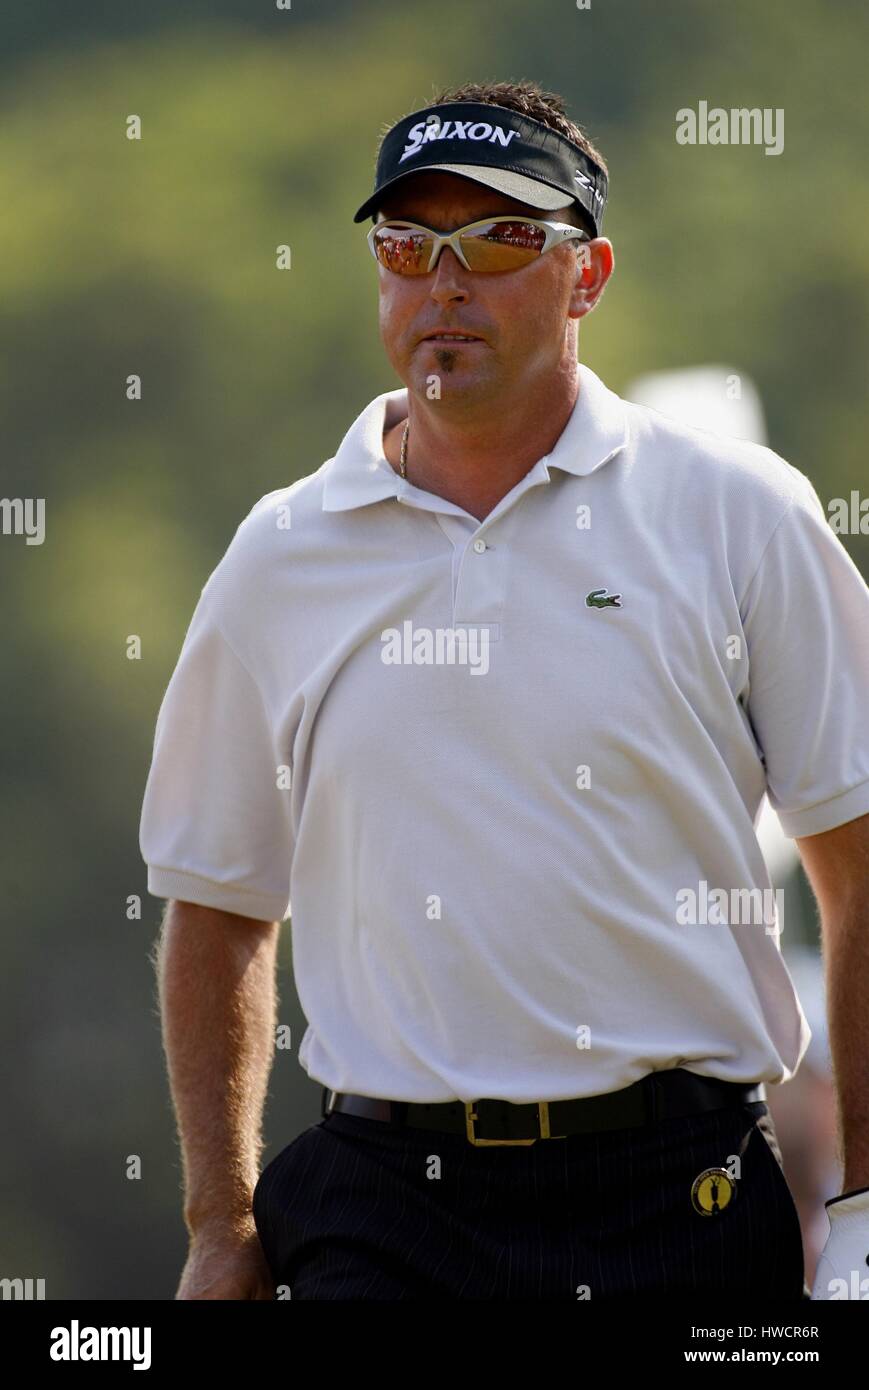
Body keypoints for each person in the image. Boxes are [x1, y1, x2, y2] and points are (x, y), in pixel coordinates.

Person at [139, 79, 869, 1301]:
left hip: (678, 1201)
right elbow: (215, 907)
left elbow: (852, 865)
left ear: (587, 276)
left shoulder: (737, 513)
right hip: (381, 1206)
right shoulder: (280, 552)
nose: (445, 282)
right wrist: (220, 1221)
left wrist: (857, 1201)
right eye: (408, 245)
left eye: (501, 239)